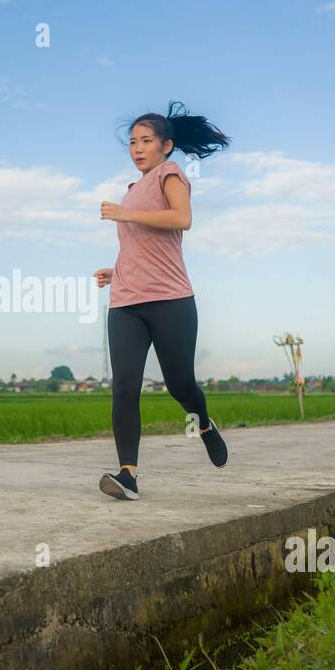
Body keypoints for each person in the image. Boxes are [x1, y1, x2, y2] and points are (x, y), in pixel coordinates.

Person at [93, 101, 230, 501]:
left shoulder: (170, 174)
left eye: (146, 141)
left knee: (179, 383)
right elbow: (141, 248)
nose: (137, 148)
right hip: (126, 302)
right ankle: (127, 475)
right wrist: (115, 272)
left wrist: (123, 214)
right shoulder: (132, 192)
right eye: (132, 142)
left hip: (171, 300)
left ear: (166, 146)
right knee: (124, 386)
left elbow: (181, 218)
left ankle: (203, 423)